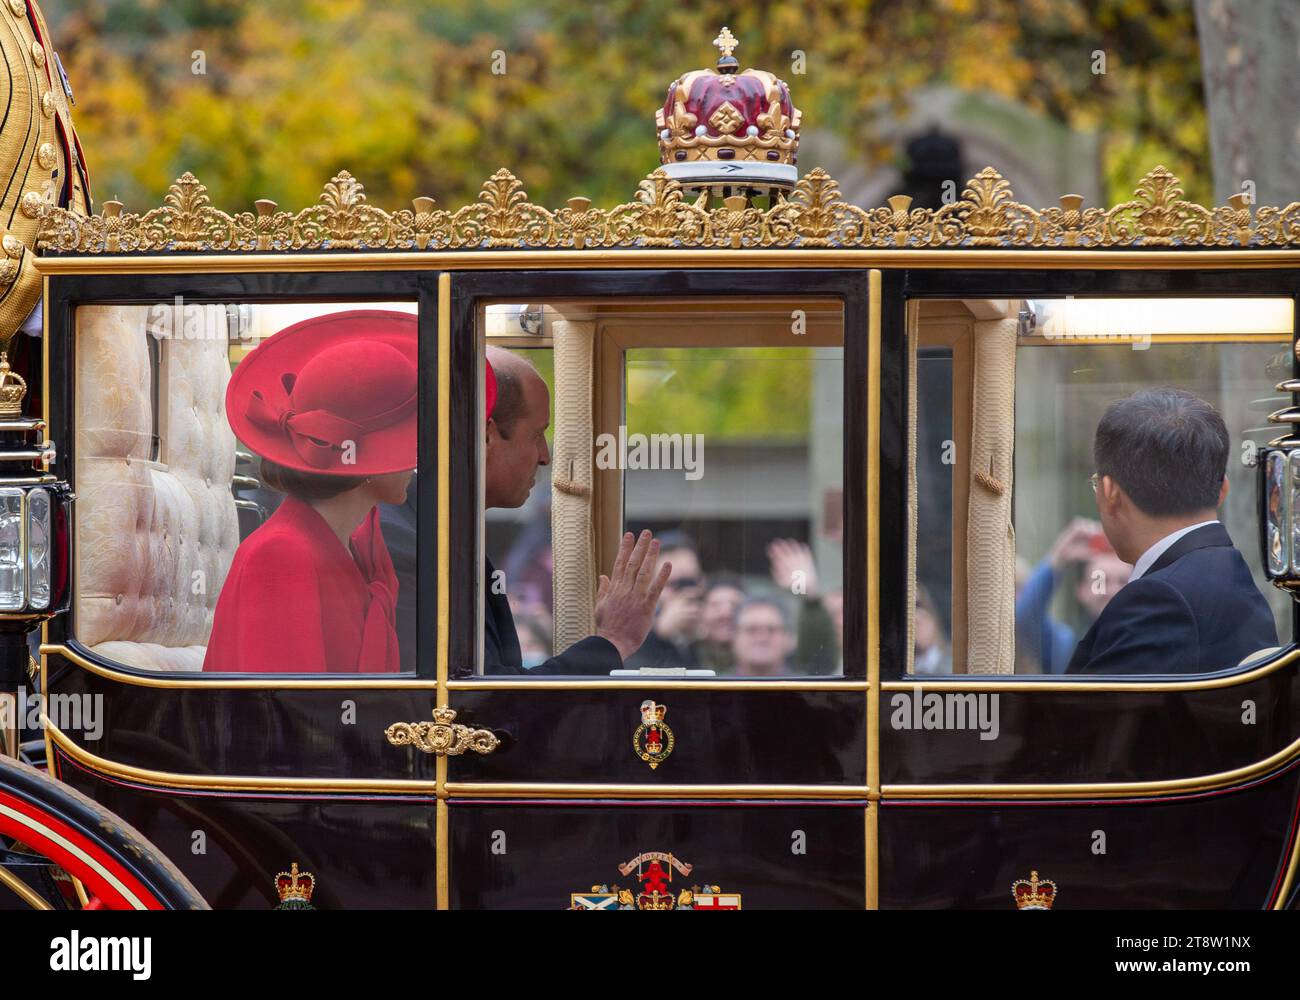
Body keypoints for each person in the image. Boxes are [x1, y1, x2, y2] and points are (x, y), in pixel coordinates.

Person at [383, 347, 669, 674]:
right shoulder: (408, 546)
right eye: (537, 434)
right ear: (486, 437)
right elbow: (482, 705)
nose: (545, 456)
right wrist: (613, 641)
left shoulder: (429, 529)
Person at [204, 311, 418, 673]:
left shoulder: (362, 547)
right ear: (362, 466)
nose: (413, 462)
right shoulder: (282, 553)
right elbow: (285, 717)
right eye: (401, 444)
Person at [1066, 388, 1277, 675]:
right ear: (1222, 490)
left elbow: (1086, 718)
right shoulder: (1229, 574)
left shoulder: (1157, 600)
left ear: (1111, 492)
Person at [1016, 519, 1131, 673]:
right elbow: (1025, 616)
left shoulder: (1149, 638)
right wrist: (1058, 557)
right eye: (1100, 580)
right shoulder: (1064, 646)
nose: (1111, 590)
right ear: (1081, 591)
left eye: (1122, 581)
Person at [625, 532, 703, 669]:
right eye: (672, 584)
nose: (685, 594)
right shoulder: (632, 635)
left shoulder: (712, 627)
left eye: (690, 583)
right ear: (650, 587)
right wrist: (659, 634)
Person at [731, 598, 795, 677]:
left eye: (771, 630)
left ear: (789, 639)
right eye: (752, 629)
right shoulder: (713, 686)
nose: (762, 638)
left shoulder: (810, 686)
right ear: (734, 638)